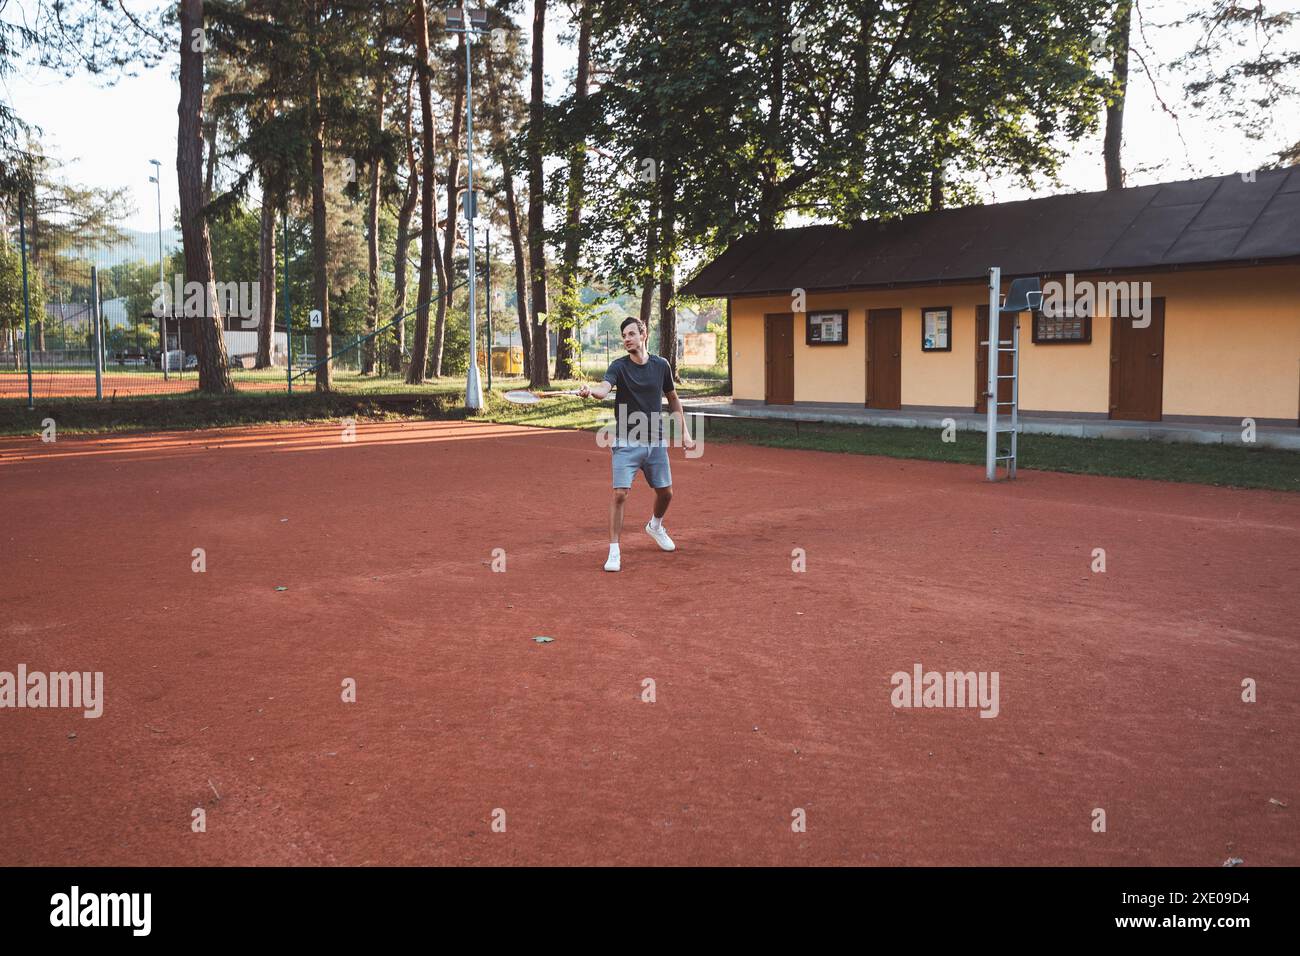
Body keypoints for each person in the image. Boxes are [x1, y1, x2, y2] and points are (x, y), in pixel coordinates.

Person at [578, 317, 695, 571]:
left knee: (666, 493)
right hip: (626, 441)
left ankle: (655, 526)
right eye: (623, 335)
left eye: (631, 333)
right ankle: (614, 552)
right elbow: (604, 389)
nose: (626, 339)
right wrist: (591, 392)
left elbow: (673, 399)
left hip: (655, 441)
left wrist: (684, 433)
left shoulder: (661, 365)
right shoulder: (619, 367)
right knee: (620, 493)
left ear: (644, 335)